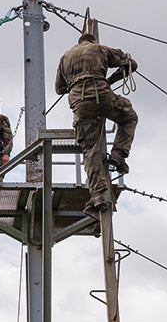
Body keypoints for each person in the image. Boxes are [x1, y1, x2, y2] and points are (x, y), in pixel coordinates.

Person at [55, 33, 138, 212]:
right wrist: (108, 80)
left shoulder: (65, 57)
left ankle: (97, 194)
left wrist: (75, 81)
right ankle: (118, 154)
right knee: (129, 117)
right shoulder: (100, 48)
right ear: (93, 41)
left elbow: (59, 88)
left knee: (90, 149)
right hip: (103, 95)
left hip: (80, 103)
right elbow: (131, 63)